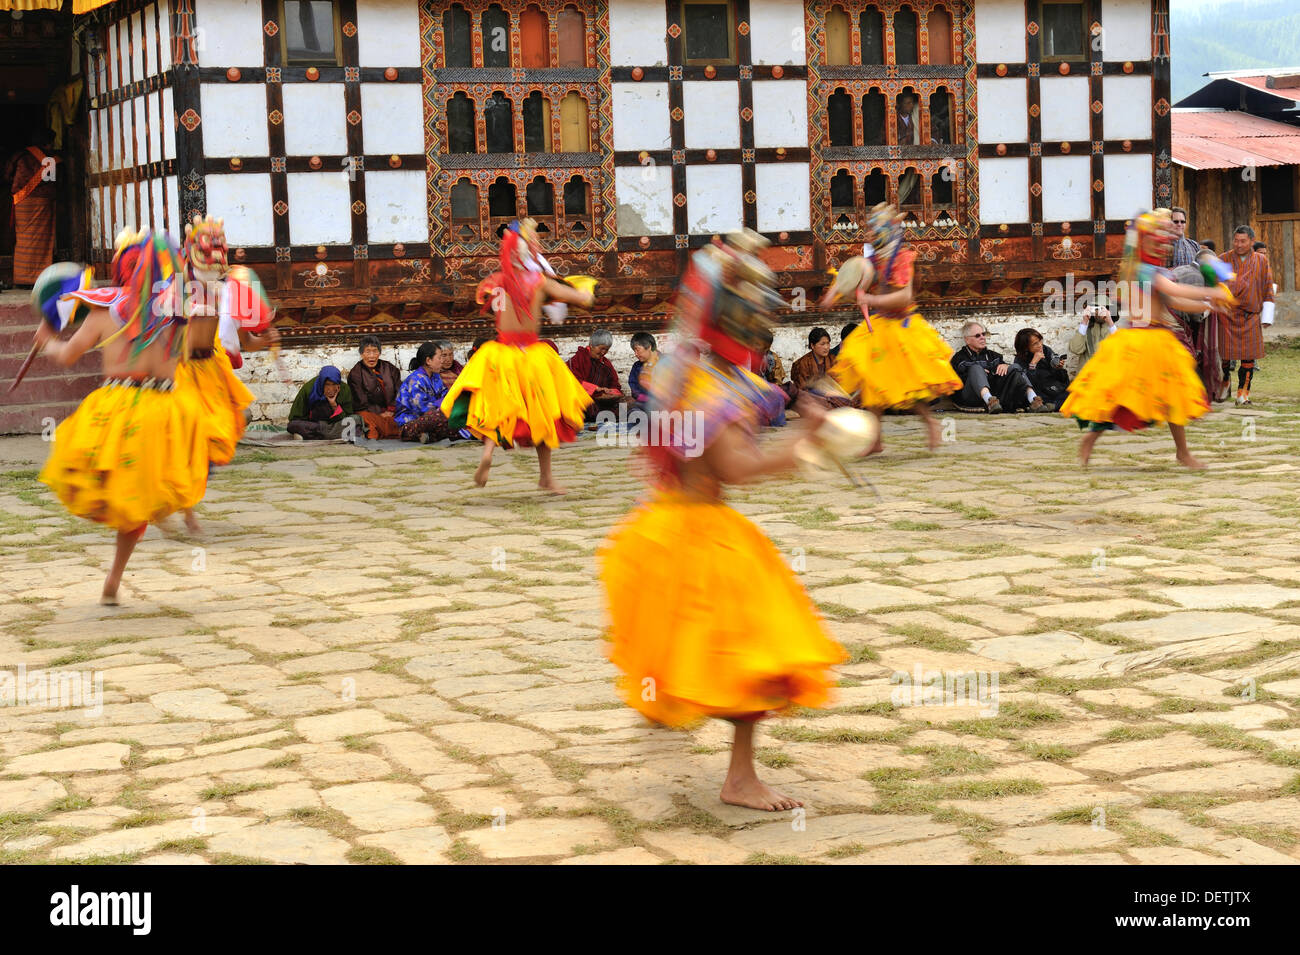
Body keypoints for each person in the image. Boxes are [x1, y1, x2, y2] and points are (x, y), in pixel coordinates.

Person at [600, 228, 845, 812]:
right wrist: (810, 444)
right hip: (707, 533)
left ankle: (662, 711)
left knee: (686, 642)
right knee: (754, 655)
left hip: (662, 526)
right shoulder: (716, 391)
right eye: (759, 307)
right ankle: (739, 778)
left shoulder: (682, 372)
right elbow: (736, 469)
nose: (764, 317)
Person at [32, 237, 209, 604]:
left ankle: (114, 577)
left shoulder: (103, 312)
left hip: (116, 408)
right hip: (163, 411)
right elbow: (190, 359)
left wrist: (46, 338)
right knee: (144, 492)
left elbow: (66, 356)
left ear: (122, 269)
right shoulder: (178, 317)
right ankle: (122, 566)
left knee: (123, 496)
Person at [1060, 209, 1232, 468]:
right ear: (1144, 241)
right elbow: (1173, 289)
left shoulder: (1156, 270)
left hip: (1160, 341)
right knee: (1119, 397)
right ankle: (1091, 439)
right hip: (1137, 342)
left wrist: (1209, 304)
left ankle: (1183, 453)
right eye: (1156, 238)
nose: (1162, 243)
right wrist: (1212, 293)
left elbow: (1173, 300)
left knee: (1172, 396)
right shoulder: (1142, 270)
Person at [441, 218, 595, 492]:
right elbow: (579, 299)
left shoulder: (495, 282)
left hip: (499, 352)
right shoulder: (538, 281)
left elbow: (490, 308)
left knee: (497, 407)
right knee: (543, 413)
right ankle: (546, 477)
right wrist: (584, 291)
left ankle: (488, 453)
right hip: (532, 354)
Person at [171, 215, 277, 533]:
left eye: (220, 247)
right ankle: (180, 502)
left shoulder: (233, 291)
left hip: (214, 371)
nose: (216, 255)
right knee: (191, 435)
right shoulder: (177, 290)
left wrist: (264, 341)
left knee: (225, 429)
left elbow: (246, 341)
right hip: (182, 370)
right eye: (209, 247)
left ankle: (185, 496)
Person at [828, 204, 963, 451]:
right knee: (873, 381)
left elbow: (904, 296)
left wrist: (872, 300)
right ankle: (875, 439)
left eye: (873, 229)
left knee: (906, 384)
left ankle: (930, 423)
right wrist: (833, 295)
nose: (868, 234)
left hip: (902, 326)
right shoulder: (873, 260)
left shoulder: (902, 259)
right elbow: (851, 278)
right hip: (880, 326)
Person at [1220, 225, 1274, 406]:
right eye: (1236, 240)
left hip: (1250, 316)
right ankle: (1225, 382)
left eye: (1243, 241)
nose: (1239, 244)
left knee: (1248, 357)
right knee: (1224, 356)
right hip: (1227, 315)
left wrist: (1267, 315)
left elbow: (1268, 286)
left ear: (1252, 241)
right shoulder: (1224, 259)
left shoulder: (1261, 261)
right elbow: (1214, 285)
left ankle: (1243, 394)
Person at [951, 322, 1045, 413]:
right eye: (977, 335)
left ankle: (1034, 401)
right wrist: (977, 374)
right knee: (976, 368)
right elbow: (955, 385)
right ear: (967, 340)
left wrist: (1006, 366)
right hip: (972, 397)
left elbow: (1005, 375)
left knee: (1015, 367)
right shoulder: (959, 359)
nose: (982, 337)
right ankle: (990, 402)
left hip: (997, 396)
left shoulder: (994, 356)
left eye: (983, 334)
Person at [5, 129, 57, 286]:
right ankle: (40, 277)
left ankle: (22, 277)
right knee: (42, 239)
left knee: (23, 237)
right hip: (44, 202)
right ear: (47, 143)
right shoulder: (52, 159)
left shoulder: (20, 156)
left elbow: (6, 175)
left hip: (23, 203)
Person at [395, 342, 457, 443]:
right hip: (411, 424)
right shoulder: (415, 381)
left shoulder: (436, 376)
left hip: (433, 419)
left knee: (458, 416)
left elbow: (446, 395)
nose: (443, 361)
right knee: (440, 417)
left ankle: (428, 436)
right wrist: (445, 405)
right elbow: (424, 410)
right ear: (428, 360)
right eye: (440, 357)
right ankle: (423, 435)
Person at [347, 334, 402, 439]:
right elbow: (360, 401)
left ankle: (386, 430)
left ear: (379, 353)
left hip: (392, 411)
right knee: (364, 418)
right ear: (362, 354)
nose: (371, 356)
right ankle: (395, 431)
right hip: (372, 413)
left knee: (407, 414)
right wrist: (381, 413)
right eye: (368, 352)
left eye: (375, 351)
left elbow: (400, 391)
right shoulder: (356, 373)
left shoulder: (390, 369)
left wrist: (391, 409)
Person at [287, 366, 361, 439]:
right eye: (327, 384)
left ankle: (314, 435)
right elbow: (295, 417)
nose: (331, 389)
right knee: (293, 425)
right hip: (315, 424)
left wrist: (334, 405)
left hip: (334, 423)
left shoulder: (344, 390)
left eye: (334, 384)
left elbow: (347, 417)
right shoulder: (309, 389)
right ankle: (333, 434)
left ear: (338, 384)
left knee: (356, 419)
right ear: (321, 383)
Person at [568, 329, 624, 422]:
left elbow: (615, 384)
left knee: (624, 406)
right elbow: (571, 381)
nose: (603, 352)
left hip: (602, 401)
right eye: (601, 348)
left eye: (606, 349)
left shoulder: (605, 363)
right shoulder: (577, 360)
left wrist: (610, 391)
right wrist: (595, 389)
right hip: (581, 400)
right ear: (591, 345)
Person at [1013, 327, 1070, 411]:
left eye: (1040, 341)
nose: (1040, 345)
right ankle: (1054, 406)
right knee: (1036, 398)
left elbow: (1062, 379)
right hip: (1039, 392)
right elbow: (1027, 383)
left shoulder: (1046, 350)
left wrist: (1058, 368)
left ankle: (1053, 406)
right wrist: (1033, 364)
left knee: (1075, 395)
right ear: (1026, 347)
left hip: (1053, 388)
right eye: (1035, 344)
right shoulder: (1019, 360)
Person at [1067, 299, 1116, 375]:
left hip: (1109, 378)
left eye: (1102, 308)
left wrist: (1109, 321)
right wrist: (1084, 321)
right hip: (1087, 378)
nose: (1099, 312)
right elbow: (1075, 349)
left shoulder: (1114, 329)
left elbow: (1121, 350)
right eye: (1096, 308)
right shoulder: (1085, 329)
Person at [627, 332, 658, 412]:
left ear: (649, 347)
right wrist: (645, 399)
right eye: (634, 351)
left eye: (637, 350)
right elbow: (634, 389)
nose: (636, 354)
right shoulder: (637, 366)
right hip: (644, 406)